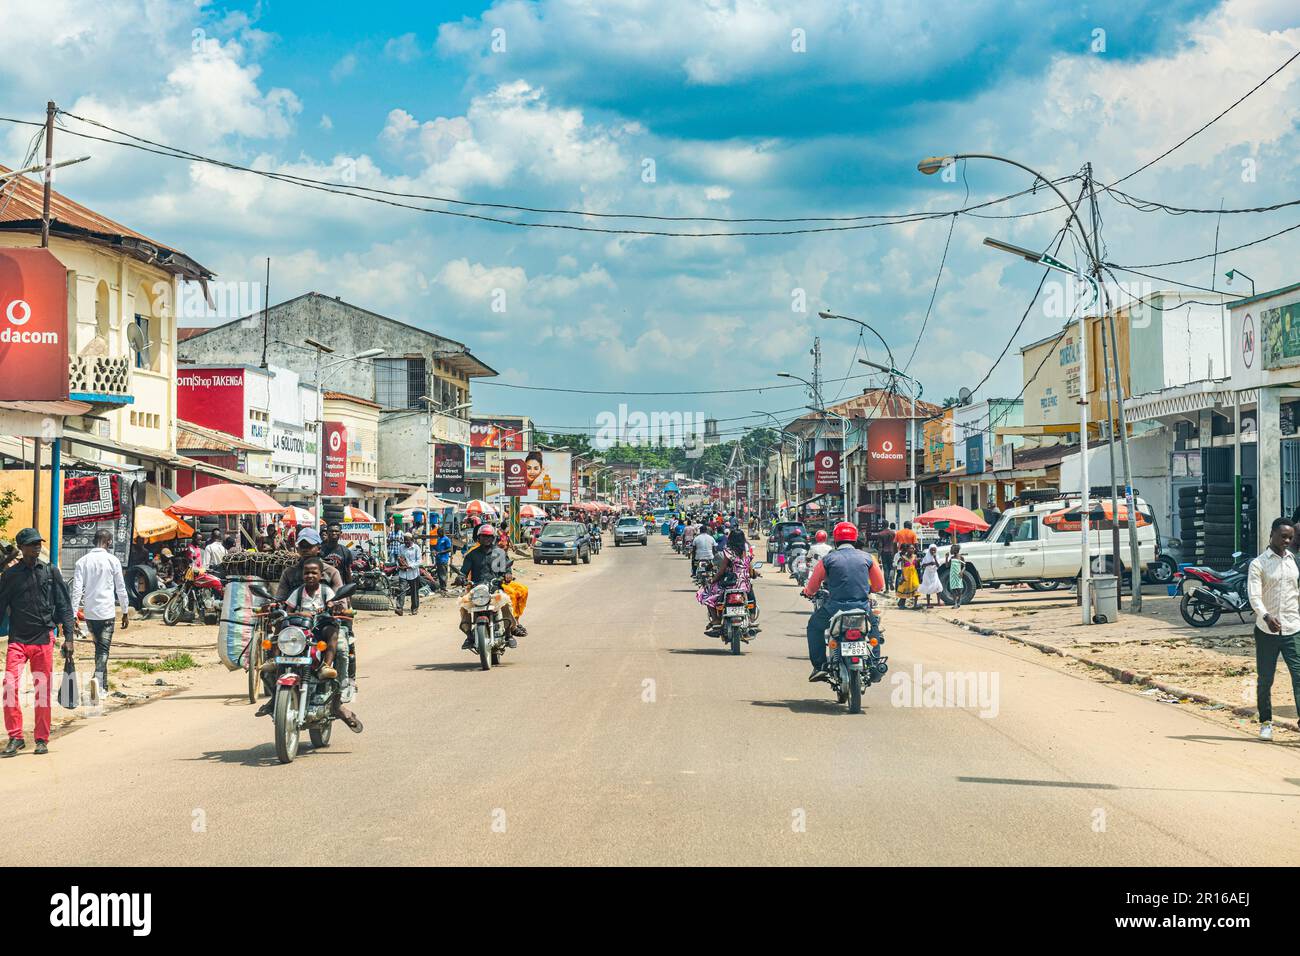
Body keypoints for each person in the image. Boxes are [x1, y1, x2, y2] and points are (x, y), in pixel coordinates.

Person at [0, 529, 74, 756]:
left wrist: (69, 637)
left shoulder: (51, 572)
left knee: (42, 690)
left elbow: (64, 606)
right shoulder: (10, 576)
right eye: (31, 544)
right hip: (18, 641)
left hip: (43, 639)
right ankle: (15, 737)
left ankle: (41, 738)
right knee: (9, 686)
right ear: (21, 548)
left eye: (38, 543)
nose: (36, 547)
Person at [281, 557, 362, 733]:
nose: (310, 575)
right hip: (302, 630)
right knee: (281, 632)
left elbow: (337, 603)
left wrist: (334, 607)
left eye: (313, 573)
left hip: (321, 628)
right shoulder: (295, 587)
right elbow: (287, 610)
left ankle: (330, 678)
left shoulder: (327, 587)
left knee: (336, 638)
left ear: (320, 575)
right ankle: (276, 680)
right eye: (307, 573)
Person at [802, 522, 885, 683]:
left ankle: (820, 666)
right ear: (854, 539)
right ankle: (875, 664)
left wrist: (808, 592)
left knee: (814, 626)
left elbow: (812, 587)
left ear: (835, 540)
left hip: (835, 608)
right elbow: (879, 585)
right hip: (862, 608)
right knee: (874, 630)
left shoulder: (828, 559)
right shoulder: (868, 558)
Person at [1247, 517, 1300, 742]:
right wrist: (1266, 616)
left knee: (1299, 676)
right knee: (1266, 678)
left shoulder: (1294, 561)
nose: (1287, 540)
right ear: (1272, 534)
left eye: (1290, 537)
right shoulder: (1258, 563)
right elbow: (1254, 595)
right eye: (1283, 536)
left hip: (1293, 628)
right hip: (1266, 630)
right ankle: (1266, 723)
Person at [70, 529, 130, 698]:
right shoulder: (113, 560)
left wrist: (74, 613)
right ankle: (98, 684)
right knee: (103, 650)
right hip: (107, 612)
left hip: (90, 613)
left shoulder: (82, 562)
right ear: (109, 542)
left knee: (100, 649)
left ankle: (103, 684)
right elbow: (121, 588)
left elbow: (76, 590)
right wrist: (125, 611)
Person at [458, 525, 523, 649]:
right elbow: (463, 571)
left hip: (495, 588)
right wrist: (460, 577)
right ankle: (469, 635)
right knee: (464, 605)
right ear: (479, 538)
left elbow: (507, 569)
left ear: (493, 538)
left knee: (505, 603)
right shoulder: (472, 555)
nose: (486, 538)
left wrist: (508, 574)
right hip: (477, 589)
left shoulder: (500, 553)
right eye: (483, 536)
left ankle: (509, 633)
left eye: (489, 536)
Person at [697, 529, 758, 636]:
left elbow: (721, 570)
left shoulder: (728, 552)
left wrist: (713, 580)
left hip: (730, 584)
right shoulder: (746, 552)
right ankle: (752, 619)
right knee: (751, 599)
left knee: (705, 592)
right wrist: (754, 574)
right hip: (744, 585)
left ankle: (715, 619)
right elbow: (750, 569)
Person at [275, 528, 343, 601]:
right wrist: (275, 604)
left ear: (319, 548)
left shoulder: (331, 572)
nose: (305, 549)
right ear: (297, 549)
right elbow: (280, 598)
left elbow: (340, 602)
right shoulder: (289, 573)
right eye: (302, 546)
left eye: (309, 546)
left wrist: (337, 606)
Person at [395, 532, 422, 616]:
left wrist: (409, 566)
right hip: (403, 573)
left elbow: (419, 561)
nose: (406, 542)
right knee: (401, 590)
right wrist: (399, 564)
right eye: (405, 541)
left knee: (414, 592)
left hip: (413, 573)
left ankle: (414, 608)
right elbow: (398, 558)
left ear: (412, 540)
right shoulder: (401, 547)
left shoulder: (416, 548)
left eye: (408, 541)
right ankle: (400, 608)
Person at [919, 543, 943, 608]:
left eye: (934, 550)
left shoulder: (937, 556)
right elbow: (923, 565)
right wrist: (929, 563)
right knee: (928, 588)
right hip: (927, 574)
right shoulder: (926, 557)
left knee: (938, 587)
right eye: (931, 550)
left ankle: (938, 602)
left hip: (934, 573)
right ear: (929, 550)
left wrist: (935, 559)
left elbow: (938, 565)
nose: (933, 551)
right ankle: (928, 603)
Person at [896, 544, 920, 609]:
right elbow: (902, 567)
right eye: (910, 548)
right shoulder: (903, 557)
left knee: (916, 586)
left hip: (913, 574)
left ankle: (915, 604)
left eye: (913, 548)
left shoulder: (915, 556)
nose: (912, 550)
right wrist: (903, 576)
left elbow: (917, 566)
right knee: (905, 589)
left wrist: (918, 561)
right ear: (907, 549)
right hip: (906, 575)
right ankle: (901, 603)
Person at [875, 523, 897, 588]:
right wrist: (896, 553)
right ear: (888, 525)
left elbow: (880, 546)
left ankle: (887, 588)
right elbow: (894, 544)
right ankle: (891, 579)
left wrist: (878, 556)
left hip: (884, 552)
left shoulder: (880, 534)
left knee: (885, 569)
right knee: (892, 567)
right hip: (892, 552)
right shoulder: (893, 533)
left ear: (882, 525)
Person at [432, 526, 453, 592]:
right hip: (438, 559)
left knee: (443, 573)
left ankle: (443, 587)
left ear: (442, 532)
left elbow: (449, 549)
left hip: (443, 559)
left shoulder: (446, 539)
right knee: (439, 573)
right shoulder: (439, 539)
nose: (437, 534)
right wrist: (434, 550)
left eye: (438, 533)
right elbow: (437, 547)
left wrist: (440, 552)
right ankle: (441, 587)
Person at [947, 544, 967, 609]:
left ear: (955, 550)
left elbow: (964, 566)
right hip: (952, 575)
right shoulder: (951, 558)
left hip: (958, 575)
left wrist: (962, 571)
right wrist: (946, 558)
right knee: (953, 589)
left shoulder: (961, 557)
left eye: (951, 549)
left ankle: (959, 602)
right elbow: (947, 565)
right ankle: (955, 603)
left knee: (959, 589)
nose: (950, 550)